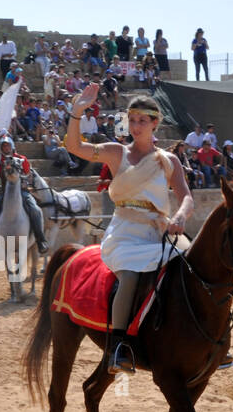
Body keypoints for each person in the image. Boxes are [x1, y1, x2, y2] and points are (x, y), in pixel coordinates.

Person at [62, 87, 192, 374]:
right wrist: (77, 112)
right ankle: (119, 346)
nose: (135, 126)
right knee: (131, 276)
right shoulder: (116, 152)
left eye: (142, 121)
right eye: (132, 120)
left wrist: (181, 215)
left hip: (158, 232)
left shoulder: (169, 161)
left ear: (155, 123)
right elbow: (75, 147)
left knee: (195, 269)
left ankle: (209, 340)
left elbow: (186, 196)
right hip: (124, 232)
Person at [0, 136, 49, 255]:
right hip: (5, 194)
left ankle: (40, 240)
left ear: (12, 146)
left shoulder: (21, 159)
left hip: (22, 192)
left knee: (36, 210)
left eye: (7, 145)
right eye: (4, 146)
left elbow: (29, 174)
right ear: (1, 148)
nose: (6, 148)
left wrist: (26, 183)